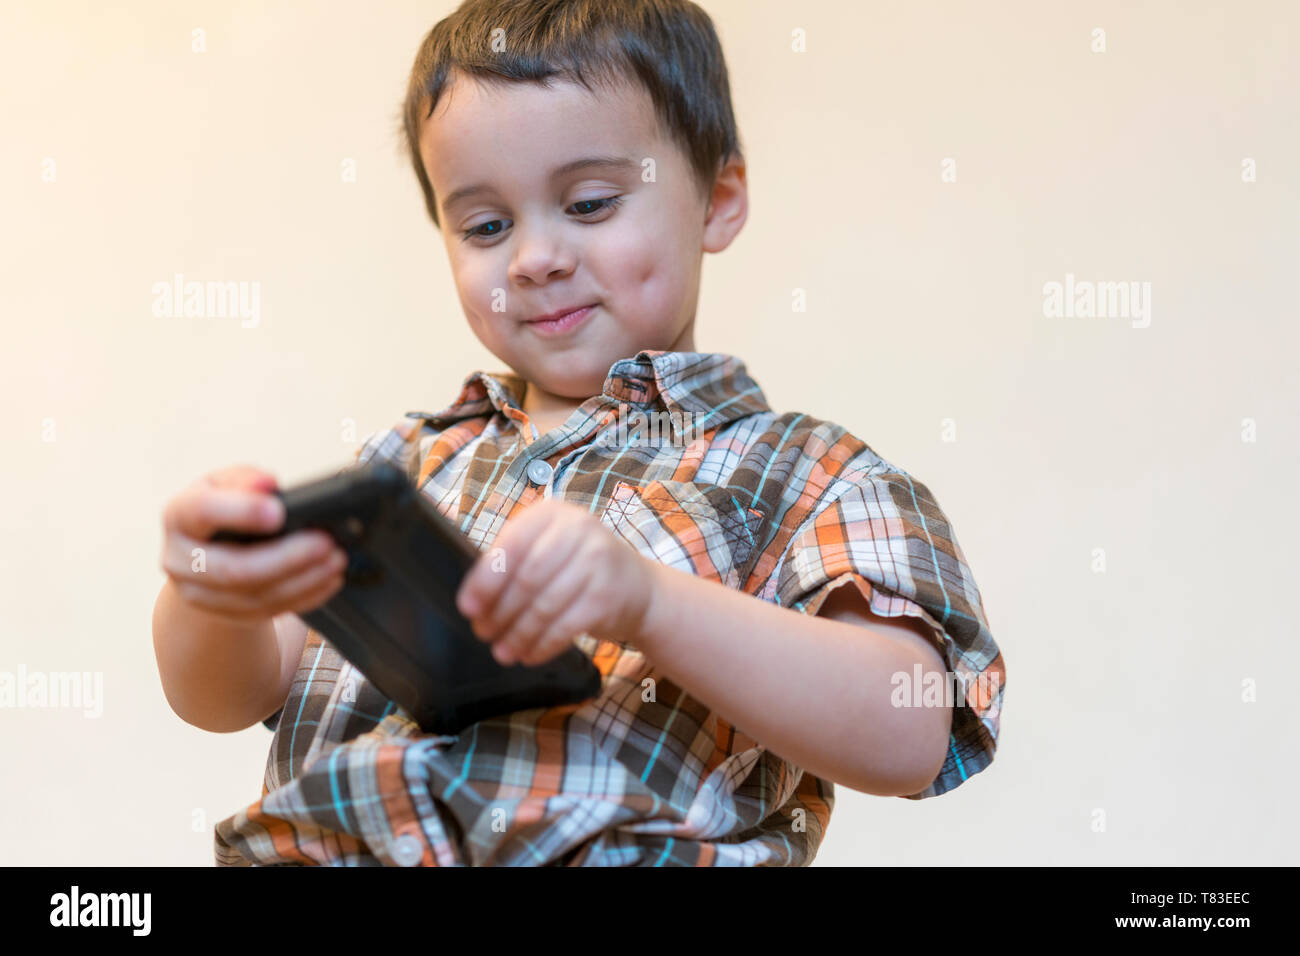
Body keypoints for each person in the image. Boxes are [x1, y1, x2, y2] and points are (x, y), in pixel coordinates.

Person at [152, 0, 1005, 866]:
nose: (532, 258)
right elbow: (223, 696)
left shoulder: (807, 475)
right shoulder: (403, 468)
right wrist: (209, 588)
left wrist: (649, 603)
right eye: (486, 225)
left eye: (589, 204)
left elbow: (909, 733)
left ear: (717, 199)